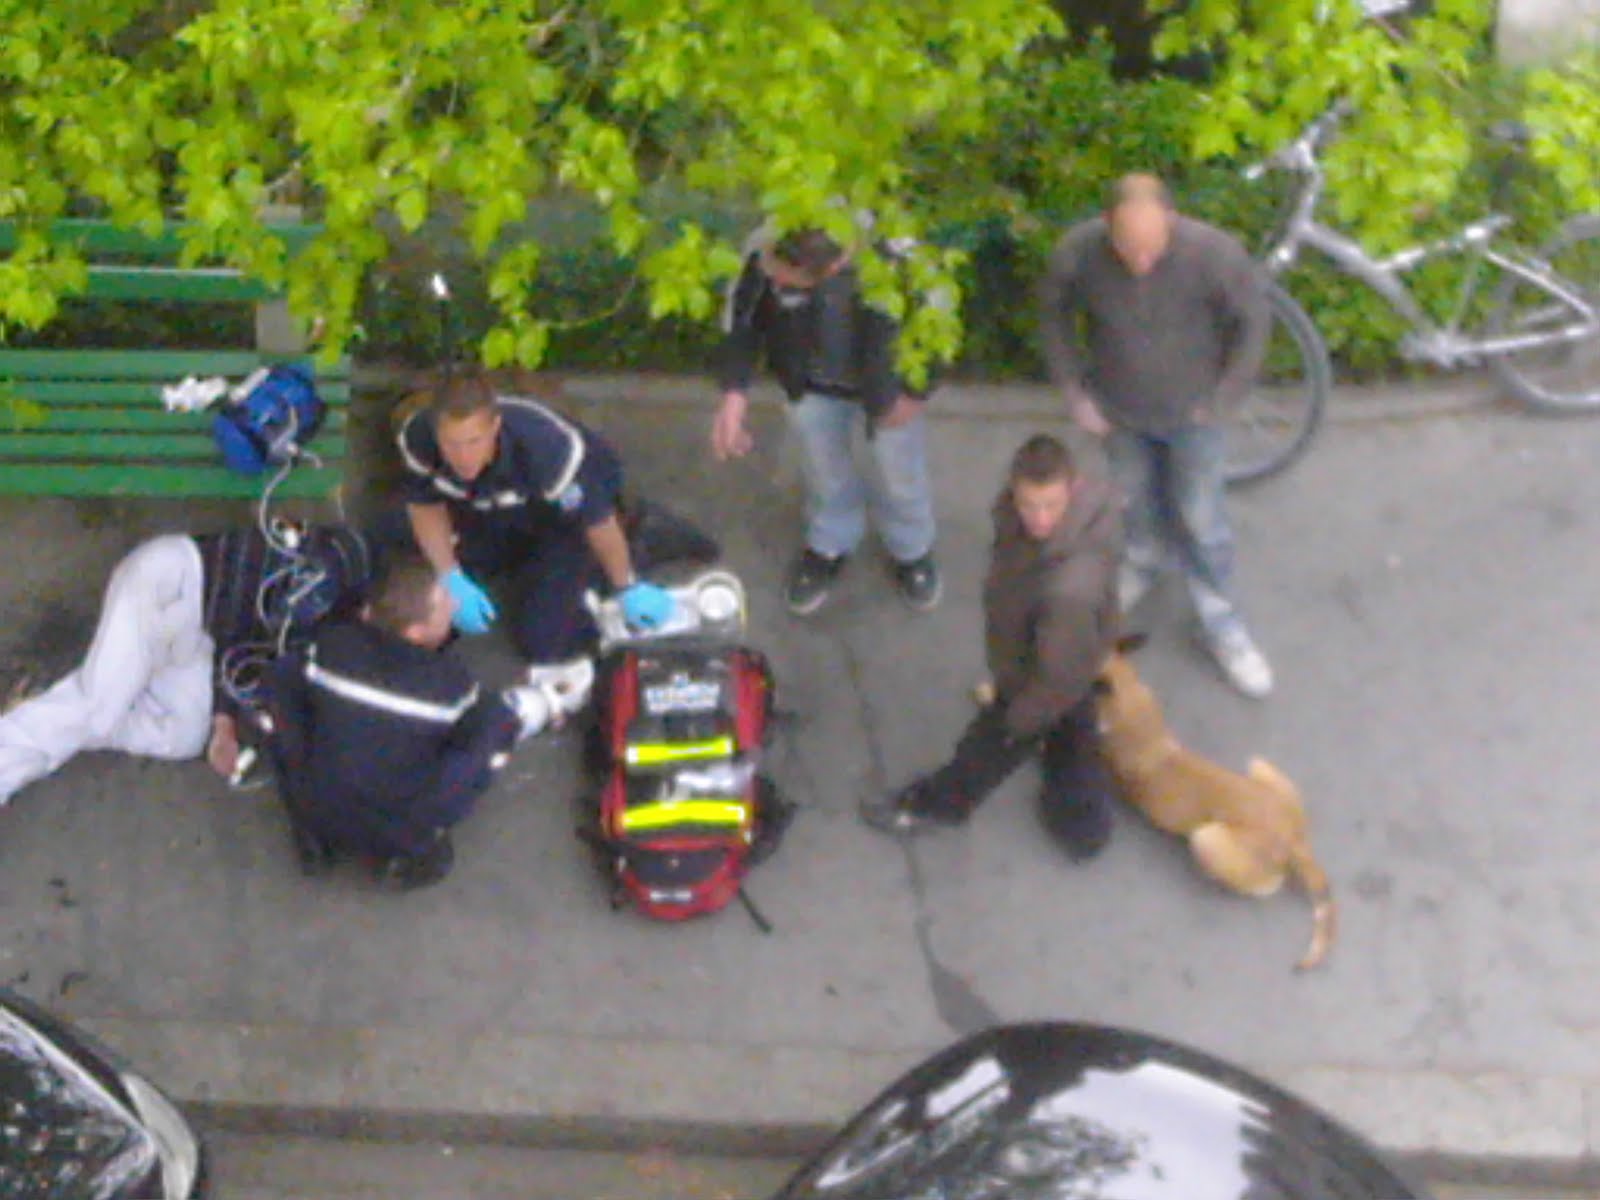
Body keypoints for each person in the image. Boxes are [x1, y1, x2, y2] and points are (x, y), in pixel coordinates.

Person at [1039, 173, 1275, 698]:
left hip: (1194, 418)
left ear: (1171, 222)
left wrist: (1222, 400)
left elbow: (1254, 321)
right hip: (1120, 413)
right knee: (1134, 501)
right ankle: (1145, 561)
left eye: (1151, 249)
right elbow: (1053, 314)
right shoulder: (1079, 253)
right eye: (1127, 249)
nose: (1140, 262)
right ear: (1106, 227)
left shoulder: (1213, 254)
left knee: (1202, 520)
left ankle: (1222, 624)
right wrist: (1075, 391)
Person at [860, 434, 1122, 860]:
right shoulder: (1073, 518)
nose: (1038, 519)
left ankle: (938, 805)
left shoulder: (1070, 590)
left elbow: (1056, 678)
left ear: (1071, 489)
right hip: (1054, 650)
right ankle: (1082, 825)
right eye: (1028, 504)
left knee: (993, 744)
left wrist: (1018, 717)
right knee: (1072, 725)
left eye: (1050, 506)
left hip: (1038, 671)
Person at [263, 555, 591, 889]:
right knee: (485, 736)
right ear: (417, 633)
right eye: (445, 610)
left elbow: (283, 688)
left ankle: (316, 843)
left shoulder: (332, 647)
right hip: (392, 825)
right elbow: (477, 735)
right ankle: (409, 859)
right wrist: (529, 706)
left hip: (316, 803)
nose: (454, 608)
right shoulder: (448, 687)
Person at [0, 523, 370, 807]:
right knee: (97, 709)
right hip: (170, 581)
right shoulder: (318, 560)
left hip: (197, 639)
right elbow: (252, 631)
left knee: (185, 735)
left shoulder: (330, 615)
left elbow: (241, 648)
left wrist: (223, 727)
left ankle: (47, 700)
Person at [395, 368, 711, 669]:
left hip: (564, 517)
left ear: (494, 428)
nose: (463, 457)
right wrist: (450, 576)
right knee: (413, 571)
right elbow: (425, 507)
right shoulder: (418, 438)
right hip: (492, 508)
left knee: (543, 640)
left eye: (474, 442)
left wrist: (626, 587)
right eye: (452, 444)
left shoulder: (546, 447)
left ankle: (644, 536)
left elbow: (595, 522)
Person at [711, 227, 941, 615]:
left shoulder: (900, 256)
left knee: (900, 474)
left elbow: (939, 322)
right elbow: (742, 317)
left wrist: (918, 391)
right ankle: (830, 542)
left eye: (787, 282)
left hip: (887, 390)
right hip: (811, 386)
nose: (773, 280)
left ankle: (911, 548)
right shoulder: (768, 243)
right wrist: (734, 394)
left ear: (835, 266)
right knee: (823, 471)